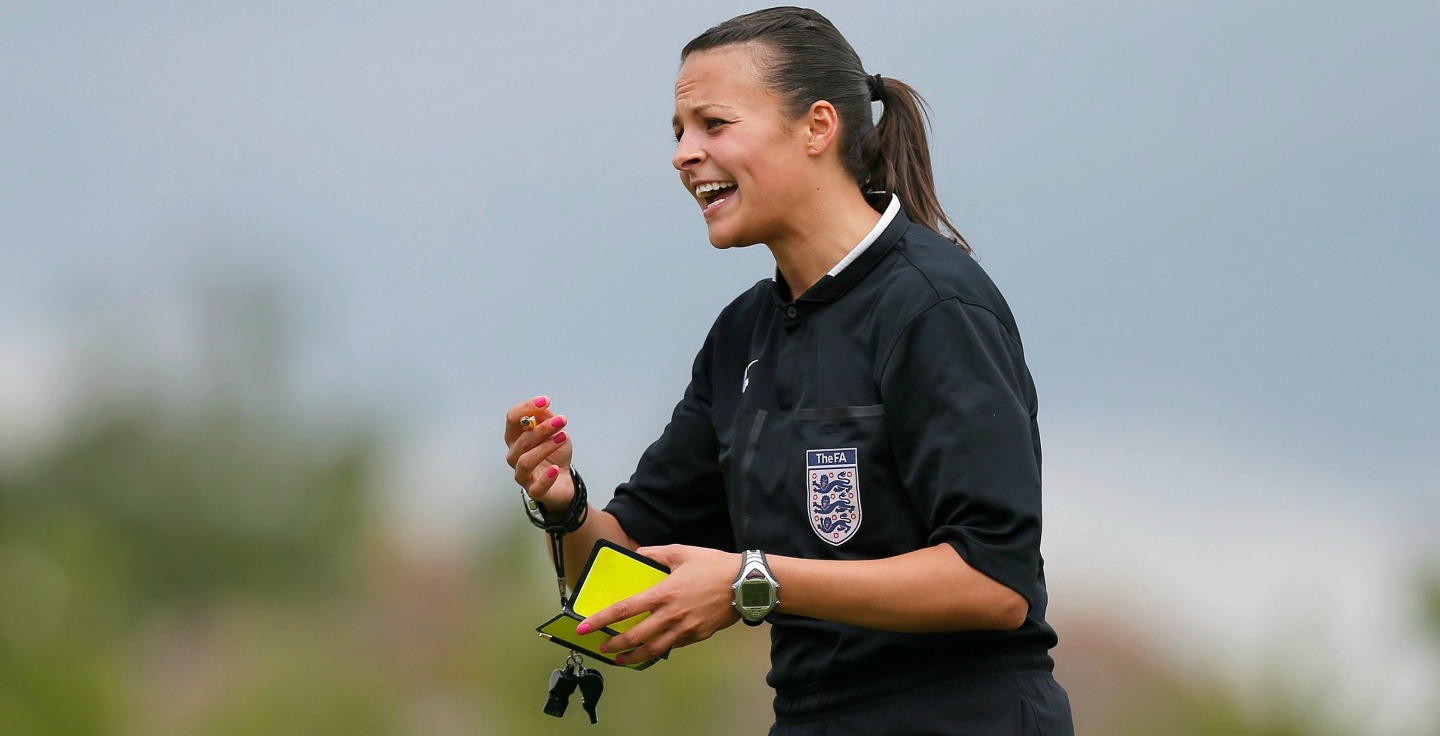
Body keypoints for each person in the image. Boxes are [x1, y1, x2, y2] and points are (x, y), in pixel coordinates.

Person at [503, 7, 1074, 734]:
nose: (683, 153)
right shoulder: (742, 334)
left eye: (714, 124)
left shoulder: (933, 305)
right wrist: (565, 506)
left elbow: (995, 582)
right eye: (677, 132)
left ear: (818, 127)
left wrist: (752, 580)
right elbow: (626, 579)